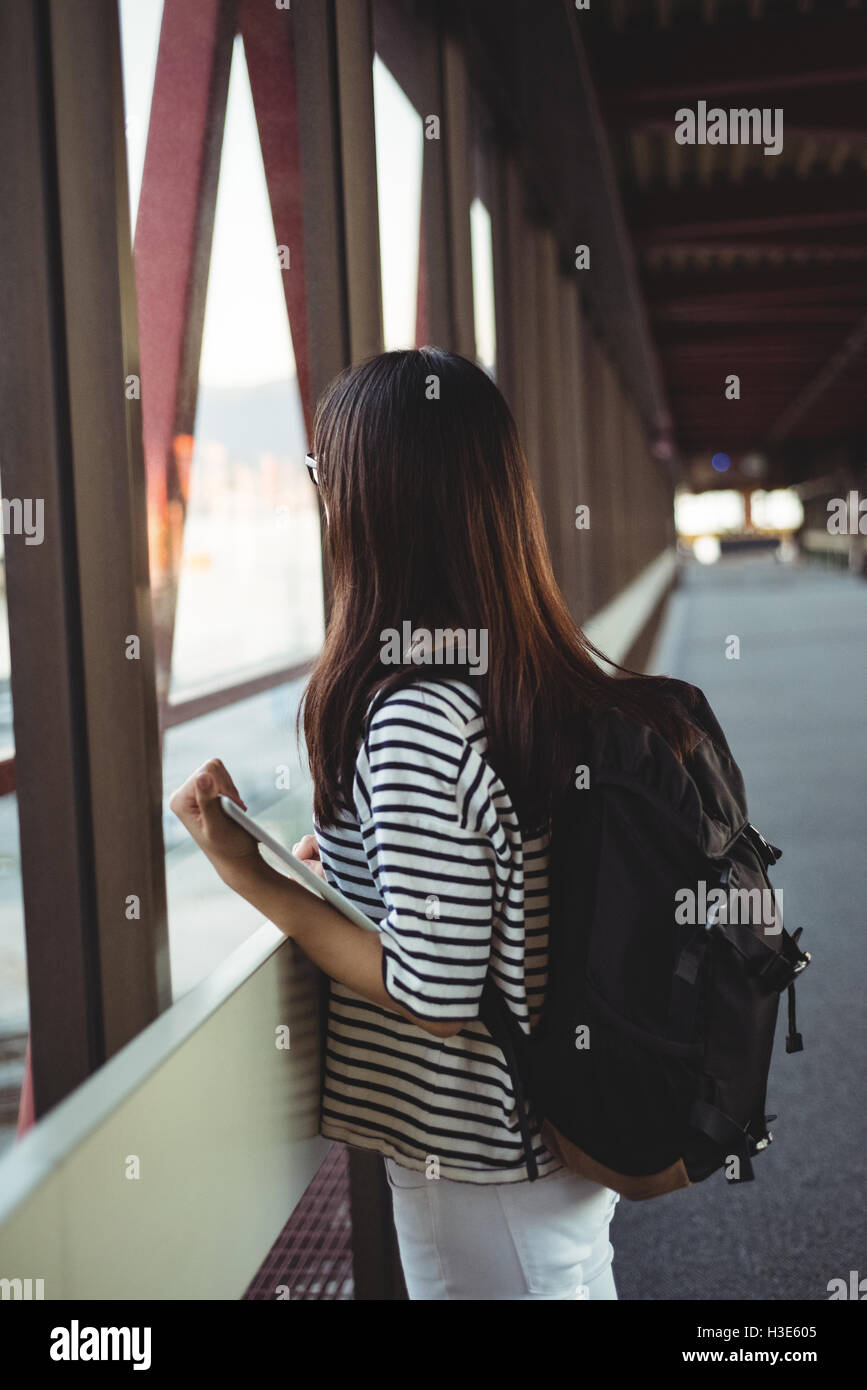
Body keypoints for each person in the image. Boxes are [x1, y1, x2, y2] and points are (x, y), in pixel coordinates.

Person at [170, 347, 698, 1300]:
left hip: (483, 1148)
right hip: (549, 1133)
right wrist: (358, 871)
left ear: (373, 501)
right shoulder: (526, 665)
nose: (320, 498)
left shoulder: (413, 713)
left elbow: (437, 990)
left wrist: (250, 880)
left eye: (322, 475)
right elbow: (491, 882)